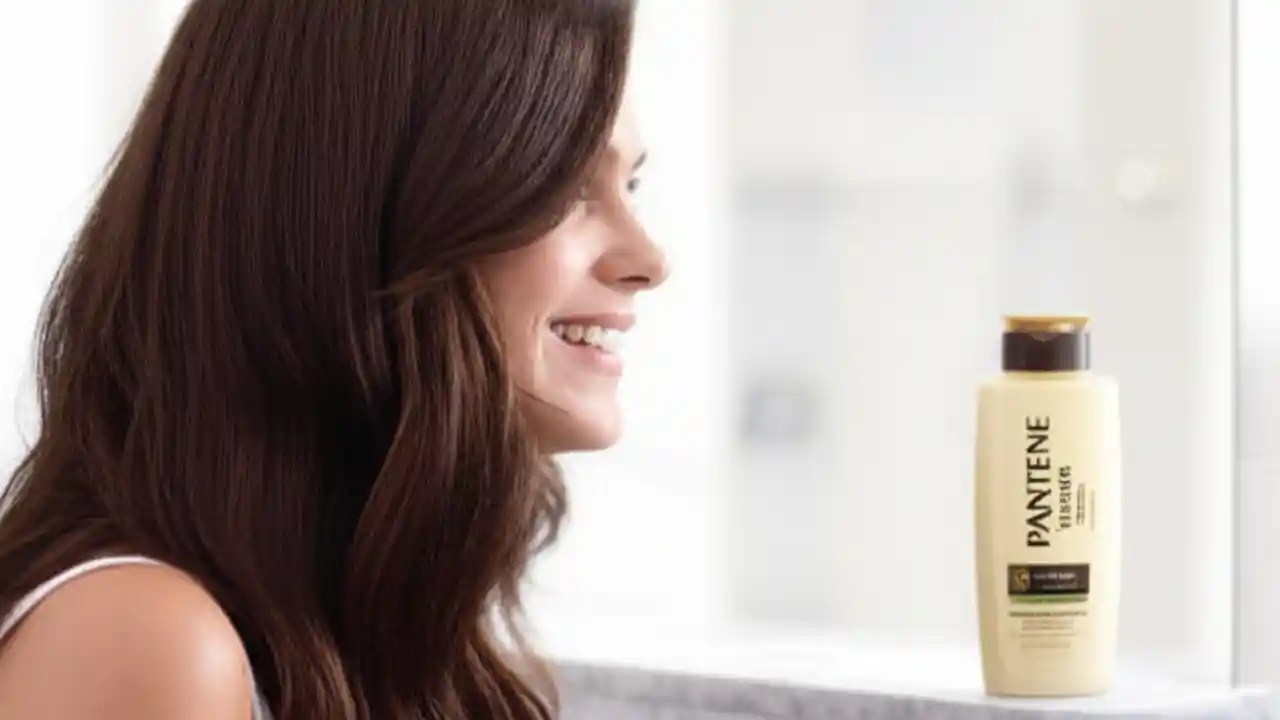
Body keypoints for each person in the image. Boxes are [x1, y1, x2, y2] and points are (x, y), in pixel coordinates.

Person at [0, 0, 665, 718]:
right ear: (365, 215)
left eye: (629, 186)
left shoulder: (380, 628)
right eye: (565, 186)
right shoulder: (144, 636)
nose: (649, 260)